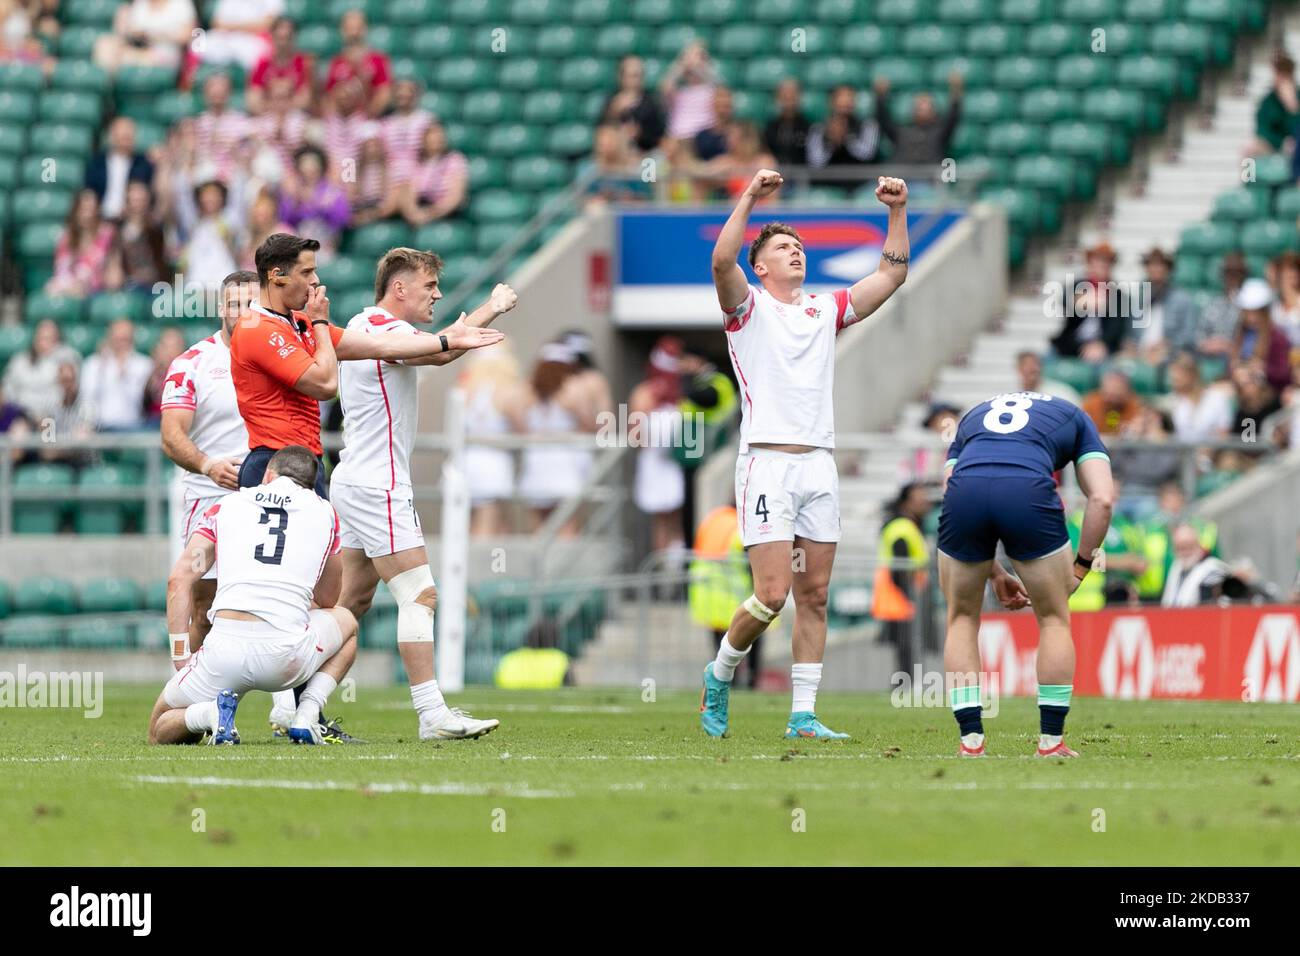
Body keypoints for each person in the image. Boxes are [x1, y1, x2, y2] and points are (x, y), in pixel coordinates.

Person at [700, 169, 910, 740]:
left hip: (819, 463)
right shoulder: (746, 308)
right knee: (771, 593)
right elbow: (722, 263)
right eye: (783, 248)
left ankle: (803, 714)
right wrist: (748, 196)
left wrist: (896, 210)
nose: (796, 253)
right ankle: (719, 674)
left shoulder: (823, 309)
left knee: (813, 594)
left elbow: (892, 275)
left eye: (799, 247)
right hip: (767, 463)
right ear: (760, 266)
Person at [332, 248, 513, 741]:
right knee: (420, 594)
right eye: (429, 285)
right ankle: (431, 712)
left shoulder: (366, 324)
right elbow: (443, 350)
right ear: (400, 289)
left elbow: (441, 344)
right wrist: (492, 305)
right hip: (379, 483)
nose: (436, 294)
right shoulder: (385, 330)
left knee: (350, 602)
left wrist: (468, 325)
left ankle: (298, 703)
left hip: (355, 478)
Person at [937, 391, 1114, 758]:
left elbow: (950, 485)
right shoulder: (1076, 416)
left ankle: (971, 741)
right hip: (1026, 491)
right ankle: (1050, 742)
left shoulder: (974, 414)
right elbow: (1101, 499)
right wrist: (1082, 565)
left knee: (961, 619)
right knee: (1052, 619)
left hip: (965, 494)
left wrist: (994, 571)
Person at [148, 446, 359, 745]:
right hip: (286, 658)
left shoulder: (227, 505)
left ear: (268, 474)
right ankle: (307, 713)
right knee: (348, 622)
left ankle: (208, 715)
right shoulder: (326, 513)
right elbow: (328, 599)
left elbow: (178, 579)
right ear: (311, 484)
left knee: (159, 729)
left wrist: (181, 655)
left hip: (224, 652)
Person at [159, 271, 255, 669]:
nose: (242, 312)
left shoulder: (282, 356)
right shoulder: (193, 362)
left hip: (264, 496)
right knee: (205, 606)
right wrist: (207, 465)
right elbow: (170, 434)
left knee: (278, 601)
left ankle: (291, 709)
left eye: (251, 304)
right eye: (234, 304)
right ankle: (188, 694)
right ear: (221, 308)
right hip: (208, 495)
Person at [689, 504, 762, 690]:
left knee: (721, 646)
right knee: (751, 636)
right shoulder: (742, 526)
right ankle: (750, 680)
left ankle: (723, 680)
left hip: (708, 593)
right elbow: (751, 564)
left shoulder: (713, 519)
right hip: (736, 596)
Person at [629, 336, 686, 557]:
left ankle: (670, 569)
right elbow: (637, 435)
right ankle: (667, 571)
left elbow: (635, 436)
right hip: (659, 463)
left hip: (667, 462)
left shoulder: (645, 394)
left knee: (666, 521)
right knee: (668, 520)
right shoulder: (650, 395)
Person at [461, 346, 524, 537]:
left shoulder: (465, 389)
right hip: (494, 461)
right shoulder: (507, 391)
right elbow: (521, 428)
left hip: (467, 458)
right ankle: (484, 567)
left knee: (477, 522)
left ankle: (485, 565)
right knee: (489, 522)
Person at [874, 483, 932, 678]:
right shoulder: (902, 527)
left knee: (905, 642)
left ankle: (904, 681)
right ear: (907, 502)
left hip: (900, 591)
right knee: (906, 642)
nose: (925, 503)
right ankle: (906, 682)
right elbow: (901, 562)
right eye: (920, 498)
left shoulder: (904, 524)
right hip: (900, 591)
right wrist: (908, 593)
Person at [1050, 242, 1132, 361]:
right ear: (1090, 262)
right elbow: (1065, 301)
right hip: (1072, 344)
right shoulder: (1078, 285)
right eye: (1099, 260)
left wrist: (1101, 344)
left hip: (1102, 347)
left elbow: (1116, 328)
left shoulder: (1119, 295)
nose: (1103, 265)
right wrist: (1083, 301)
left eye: (1107, 261)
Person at [873, 72, 963, 166]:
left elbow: (953, 118)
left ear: (934, 110)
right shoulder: (901, 131)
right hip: (900, 176)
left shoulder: (940, 132)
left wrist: (956, 92)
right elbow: (883, 120)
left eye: (926, 104)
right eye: (919, 105)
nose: (922, 108)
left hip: (929, 177)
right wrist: (880, 97)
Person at [278, 146, 350, 260]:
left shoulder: (332, 191)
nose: (309, 168)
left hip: (327, 244)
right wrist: (295, 204)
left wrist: (319, 206)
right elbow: (284, 221)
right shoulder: (293, 192)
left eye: (313, 163)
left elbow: (342, 220)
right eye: (305, 163)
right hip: (297, 246)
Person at [80, 320, 152, 431]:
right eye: (117, 339)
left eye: (125, 339)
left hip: (133, 426)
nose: (121, 344)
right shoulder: (93, 364)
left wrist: (124, 372)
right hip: (100, 428)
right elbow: (87, 397)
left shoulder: (144, 365)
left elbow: (141, 402)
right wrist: (102, 368)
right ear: (109, 338)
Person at [92, 0, 195, 76]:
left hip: (165, 53)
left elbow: (186, 36)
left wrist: (154, 35)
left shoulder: (181, 3)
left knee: (123, 59)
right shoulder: (141, 3)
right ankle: (104, 90)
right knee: (105, 45)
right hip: (139, 48)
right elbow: (131, 31)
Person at [1135, 247, 1201, 363]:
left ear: (1168, 270)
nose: (1156, 269)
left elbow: (1190, 335)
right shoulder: (1138, 298)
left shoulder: (1183, 299)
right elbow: (1130, 334)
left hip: (1170, 353)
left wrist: (1168, 343)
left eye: (1160, 265)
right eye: (1152, 265)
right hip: (1140, 352)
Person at [3, 318, 79, 419]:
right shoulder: (20, 361)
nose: (45, 343)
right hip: (23, 414)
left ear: (58, 340)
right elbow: (8, 390)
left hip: (56, 415)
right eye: (42, 338)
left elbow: (70, 391)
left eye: (50, 338)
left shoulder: (67, 358)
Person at [46, 190, 116, 298]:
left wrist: (78, 284)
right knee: (51, 289)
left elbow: (94, 264)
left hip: (97, 289)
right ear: (75, 211)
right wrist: (69, 285)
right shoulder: (66, 237)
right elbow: (61, 267)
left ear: (97, 211)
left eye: (91, 209)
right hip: (69, 287)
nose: (87, 215)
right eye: (83, 209)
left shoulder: (106, 234)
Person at [397, 121, 469, 226]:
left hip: (446, 215)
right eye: (432, 137)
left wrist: (431, 214)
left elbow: (455, 197)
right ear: (424, 141)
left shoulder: (454, 159)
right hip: (420, 212)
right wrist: (413, 214)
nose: (436, 140)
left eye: (439, 136)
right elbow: (409, 196)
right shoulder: (417, 164)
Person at [85, 117, 155, 221]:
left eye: (129, 134)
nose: (126, 137)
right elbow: (90, 191)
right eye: (122, 134)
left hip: (130, 219)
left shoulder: (143, 163)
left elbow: (148, 192)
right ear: (112, 136)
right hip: (101, 218)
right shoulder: (97, 163)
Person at [324, 9, 391, 118]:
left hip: (368, 119)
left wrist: (369, 115)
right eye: (349, 28)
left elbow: (384, 93)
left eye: (358, 28)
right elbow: (329, 96)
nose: (354, 33)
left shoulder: (378, 59)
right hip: (342, 120)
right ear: (343, 31)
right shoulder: (337, 62)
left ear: (365, 29)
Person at [105, 181, 168, 292]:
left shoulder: (155, 230)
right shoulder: (118, 229)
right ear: (127, 203)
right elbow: (114, 258)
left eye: (142, 201)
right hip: (127, 283)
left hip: (152, 285)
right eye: (134, 201)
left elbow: (160, 262)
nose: (138, 206)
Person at [1233, 277, 1292, 392]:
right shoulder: (1241, 334)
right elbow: (1233, 364)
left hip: (1268, 389)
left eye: (1255, 312)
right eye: (1247, 312)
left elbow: (1283, 374)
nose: (1251, 317)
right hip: (1241, 385)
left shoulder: (1277, 338)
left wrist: (1262, 369)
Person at [805, 85, 880, 175]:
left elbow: (867, 154)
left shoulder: (868, 125)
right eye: (841, 97)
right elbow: (815, 161)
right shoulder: (818, 128)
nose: (845, 101)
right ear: (831, 102)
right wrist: (831, 143)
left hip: (859, 180)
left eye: (849, 96)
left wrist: (846, 138)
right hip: (827, 180)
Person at [246, 15, 312, 115]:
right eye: (280, 34)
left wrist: (279, 107)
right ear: (272, 35)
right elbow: (253, 101)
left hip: (295, 116)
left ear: (294, 36)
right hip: (268, 116)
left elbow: (305, 101)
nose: (284, 33)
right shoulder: (262, 63)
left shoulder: (303, 63)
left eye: (288, 35)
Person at [600, 55, 666, 155]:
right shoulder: (612, 101)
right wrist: (614, 113)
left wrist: (640, 134)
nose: (636, 81)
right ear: (621, 77)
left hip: (645, 153)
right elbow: (601, 130)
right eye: (632, 76)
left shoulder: (651, 102)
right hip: (615, 155)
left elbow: (659, 135)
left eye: (640, 75)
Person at [1168, 352, 1232, 443]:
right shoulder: (1173, 401)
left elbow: (1223, 434)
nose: (1173, 383)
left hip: (1212, 453)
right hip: (1182, 454)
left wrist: (1206, 453)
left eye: (1177, 380)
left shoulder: (1217, 398)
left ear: (1191, 375)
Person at [1161, 524, 1229, 607]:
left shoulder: (1214, 569)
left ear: (1197, 544)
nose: (1185, 552)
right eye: (1180, 548)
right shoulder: (1176, 567)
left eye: (1188, 546)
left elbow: (1220, 606)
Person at [1251, 50, 1299, 156]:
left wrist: (1292, 106)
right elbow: (1261, 128)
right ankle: (1249, 173)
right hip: (1273, 143)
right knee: (1249, 149)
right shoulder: (1269, 99)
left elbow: (1296, 128)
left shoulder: (1297, 96)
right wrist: (1279, 143)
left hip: (1295, 143)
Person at [763, 77, 810, 168]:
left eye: (792, 97)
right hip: (776, 174)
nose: (789, 102)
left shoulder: (808, 126)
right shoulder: (770, 127)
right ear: (778, 98)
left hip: (802, 175)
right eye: (785, 97)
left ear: (799, 98)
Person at [1015, 350, 1080, 404]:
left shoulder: (1060, 392)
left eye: (1036, 364)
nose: (1033, 368)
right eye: (1027, 365)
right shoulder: (1016, 396)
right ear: (1019, 368)